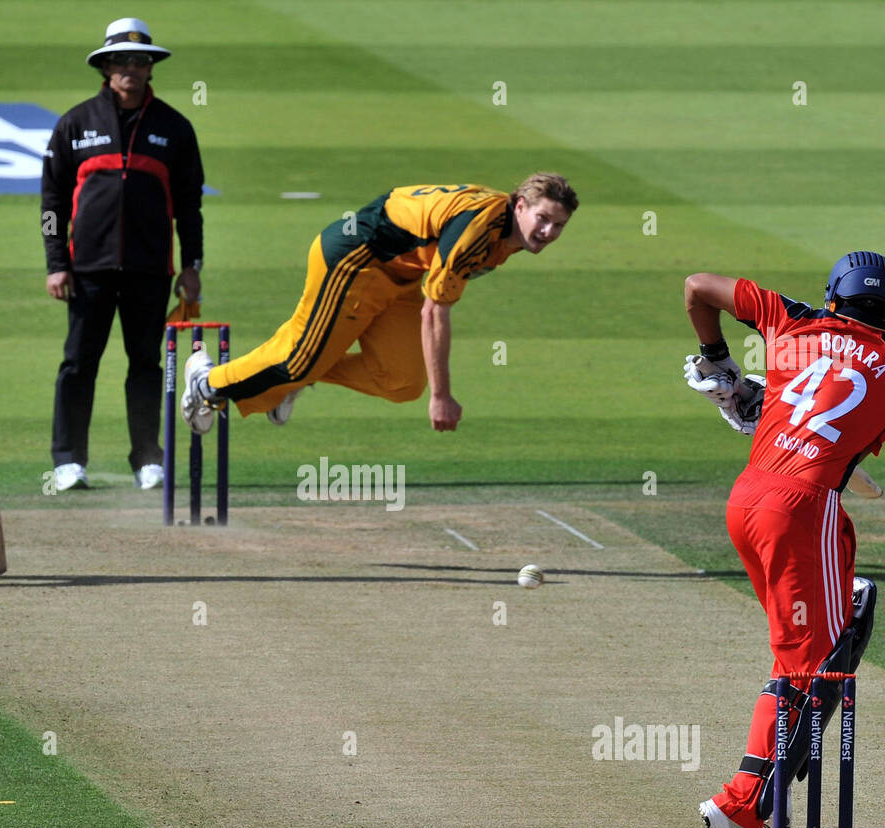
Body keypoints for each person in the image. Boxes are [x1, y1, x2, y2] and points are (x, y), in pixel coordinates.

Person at [684, 252, 885, 828]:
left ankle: (752, 800)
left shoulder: (793, 322)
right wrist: (762, 402)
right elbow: (835, 445)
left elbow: (698, 286)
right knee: (812, 667)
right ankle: (744, 806)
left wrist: (722, 365)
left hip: (749, 498)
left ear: (833, 298)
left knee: (807, 653)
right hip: (802, 510)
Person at [178, 175, 576, 435]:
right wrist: (442, 396)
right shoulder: (479, 228)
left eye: (558, 225)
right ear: (519, 205)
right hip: (355, 259)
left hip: (401, 276)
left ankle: (293, 381)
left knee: (402, 382)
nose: (548, 232)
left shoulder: (513, 233)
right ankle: (207, 382)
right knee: (298, 360)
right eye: (543, 218)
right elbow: (435, 311)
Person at [42, 16, 204, 492]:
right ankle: (69, 461)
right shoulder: (74, 123)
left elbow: (190, 205)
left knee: (146, 364)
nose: (130, 68)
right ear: (106, 66)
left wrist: (192, 266)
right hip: (87, 270)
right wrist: (56, 263)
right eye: (121, 60)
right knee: (78, 364)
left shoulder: (175, 128)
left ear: (151, 67)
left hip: (150, 269)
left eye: (140, 60)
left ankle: (147, 458)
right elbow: (51, 203)